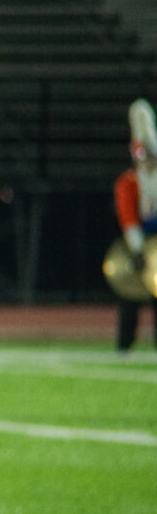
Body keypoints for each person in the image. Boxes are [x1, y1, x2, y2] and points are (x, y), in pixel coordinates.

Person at [114, 97, 157, 349]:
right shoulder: (128, 183)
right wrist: (138, 250)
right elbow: (129, 219)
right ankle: (124, 345)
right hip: (138, 244)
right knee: (129, 292)